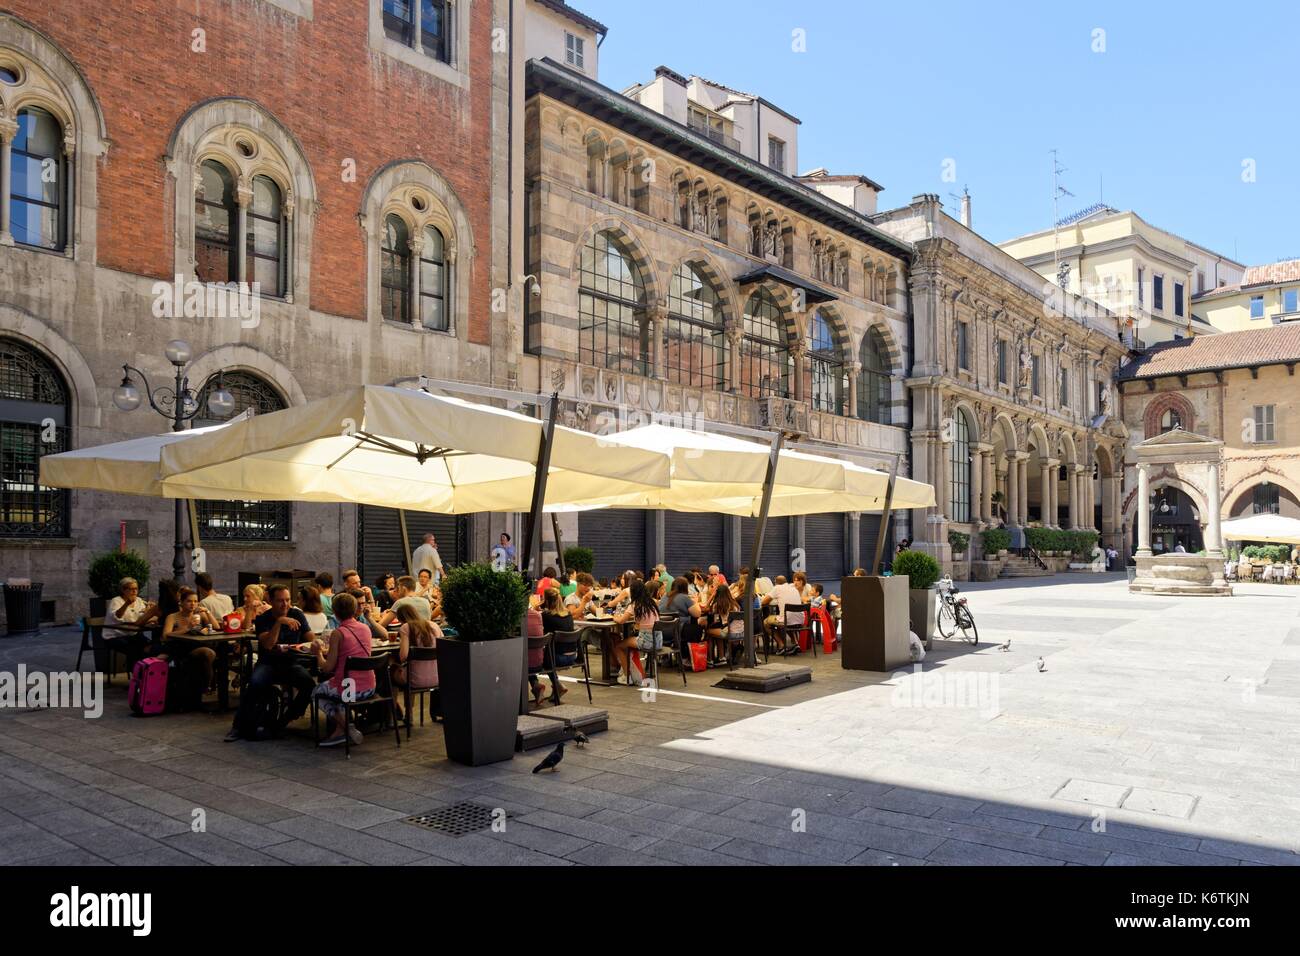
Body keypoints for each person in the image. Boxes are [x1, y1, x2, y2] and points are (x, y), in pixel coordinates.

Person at [224, 584, 317, 742]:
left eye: (287, 600)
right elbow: (268, 644)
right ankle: (238, 726)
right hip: (268, 663)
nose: (285, 604)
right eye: (280, 601)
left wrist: (311, 643)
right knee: (255, 683)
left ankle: (286, 719)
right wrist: (279, 622)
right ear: (271, 601)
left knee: (309, 685)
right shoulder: (263, 619)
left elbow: (311, 638)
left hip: (291, 663)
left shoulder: (297, 614)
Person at [310, 592, 374, 748]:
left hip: (349, 690)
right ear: (354, 609)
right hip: (369, 687)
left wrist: (318, 653)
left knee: (316, 692)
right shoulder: (365, 628)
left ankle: (346, 727)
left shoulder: (338, 633)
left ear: (334, 611)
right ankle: (340, 732)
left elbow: (327, 667)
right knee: (335, 690)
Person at [160, 587, 220, 693]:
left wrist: (207, 612)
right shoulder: (173, 617)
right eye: (189, 601)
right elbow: (165, 636)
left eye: (195, 601)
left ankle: (205, 688)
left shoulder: (199, 615)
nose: (193, 604)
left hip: (197, 645)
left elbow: (216, 627)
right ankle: (206, 688)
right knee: (208, 653)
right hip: (180, 648)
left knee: (211, 653)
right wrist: (187, 628)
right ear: (181, 603)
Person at [391, 601, 441, 722]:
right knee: (410, 669)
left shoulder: (405, 627)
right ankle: (408, 714)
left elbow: (403, 656)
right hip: (437, 678)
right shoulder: (434, 625)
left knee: (391, 671)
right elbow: (443, 648)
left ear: (401, 618)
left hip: (414, 680)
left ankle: (392, 715)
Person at [612, 580, 658, 686]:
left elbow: (621, 621)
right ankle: (630, 673)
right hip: (658, 639)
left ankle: (627, 677)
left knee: (619, 646)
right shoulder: (652, 602)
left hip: (646, 640)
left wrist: (615, 617)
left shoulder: (634, 604)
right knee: (628, 642)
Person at [762, 575, 805, 656]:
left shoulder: (777, 588)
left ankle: (781, 646)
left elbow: (764, 602)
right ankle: (795, 644)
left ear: (775, 583)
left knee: (766, 622)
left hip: (786, 620)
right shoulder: (793, 588)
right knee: (786, 619)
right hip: (800, 620)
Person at [704, 584, 738, 665]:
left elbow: (705, 608)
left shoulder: (717, 605)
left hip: (727, 631)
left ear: (717, 593)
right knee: (717, 630)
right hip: (738, 631)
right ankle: (721, 657)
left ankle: (710, 659)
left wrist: (712, 596)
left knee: (708, 632)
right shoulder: (734, 604)